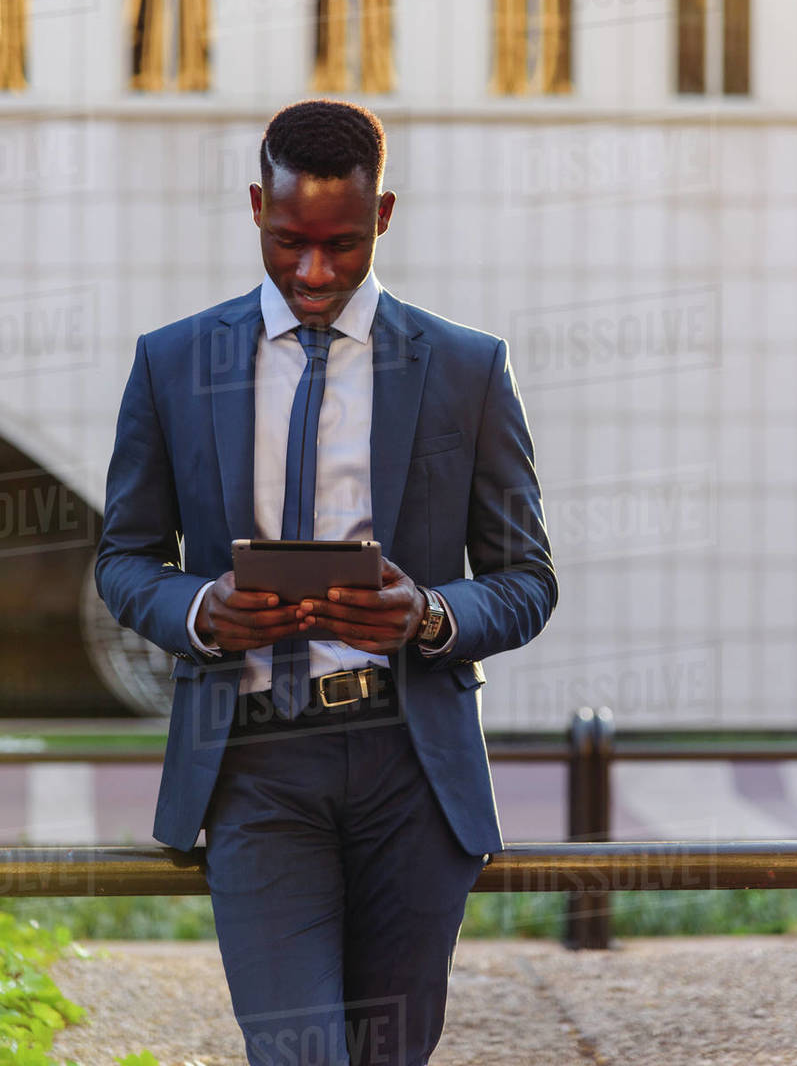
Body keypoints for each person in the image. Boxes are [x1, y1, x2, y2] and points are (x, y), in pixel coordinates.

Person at [96, 99, 557, 1066]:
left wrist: (429, 614)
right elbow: (124, 559)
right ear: (256, 206)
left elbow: (524, 579)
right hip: (255, 768)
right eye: (288, 243)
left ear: (382, 215)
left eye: (341, 246)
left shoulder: (466, 369)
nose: (314, 274)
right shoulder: (174, 362)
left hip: (410, 768)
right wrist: (198, 611)